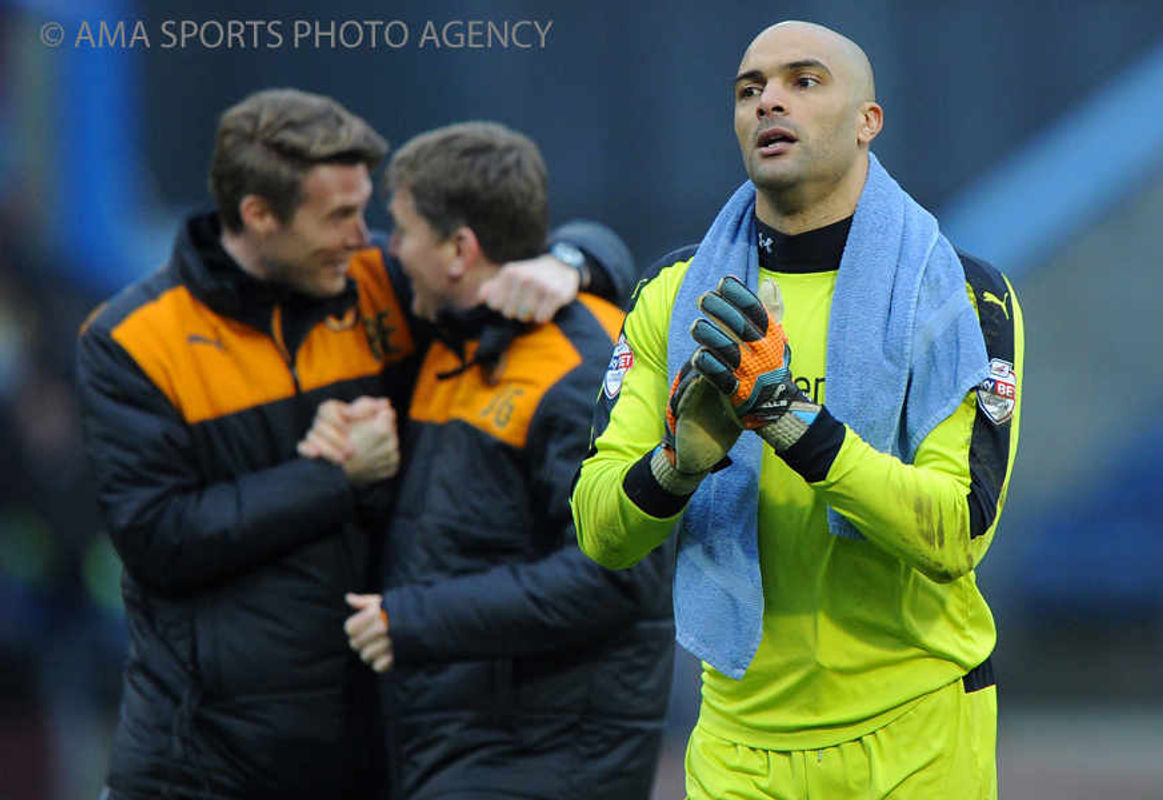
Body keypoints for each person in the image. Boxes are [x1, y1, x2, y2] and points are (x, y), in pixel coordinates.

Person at [77, 89, 636, 799]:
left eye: (366, 210)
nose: (360, 236)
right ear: (258, 214)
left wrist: (574, 258)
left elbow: (494, 250)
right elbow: (157, 538)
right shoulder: (132, 341)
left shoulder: (383, 280)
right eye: (338, 216)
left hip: (368, 747)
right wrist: (331, 477)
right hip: (198, 760)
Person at [571, 20, 1023, 800]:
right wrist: (679, 465)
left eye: (803, 82)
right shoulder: (675, 295)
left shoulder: (958, 294)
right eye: (750, 90)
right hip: (738, 742)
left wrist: (784, 417)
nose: (768, 101)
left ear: (867, 122)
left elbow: (957, 532)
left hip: (917, 731)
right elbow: (600, 532)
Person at [330, 122, 675, 800]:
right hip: (463, 740)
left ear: (459, 248)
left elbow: (614, 574)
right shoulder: (450, 340)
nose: (390, 252)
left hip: (546, 757)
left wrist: (417, 620)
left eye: (400, 232)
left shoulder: (578, 369)